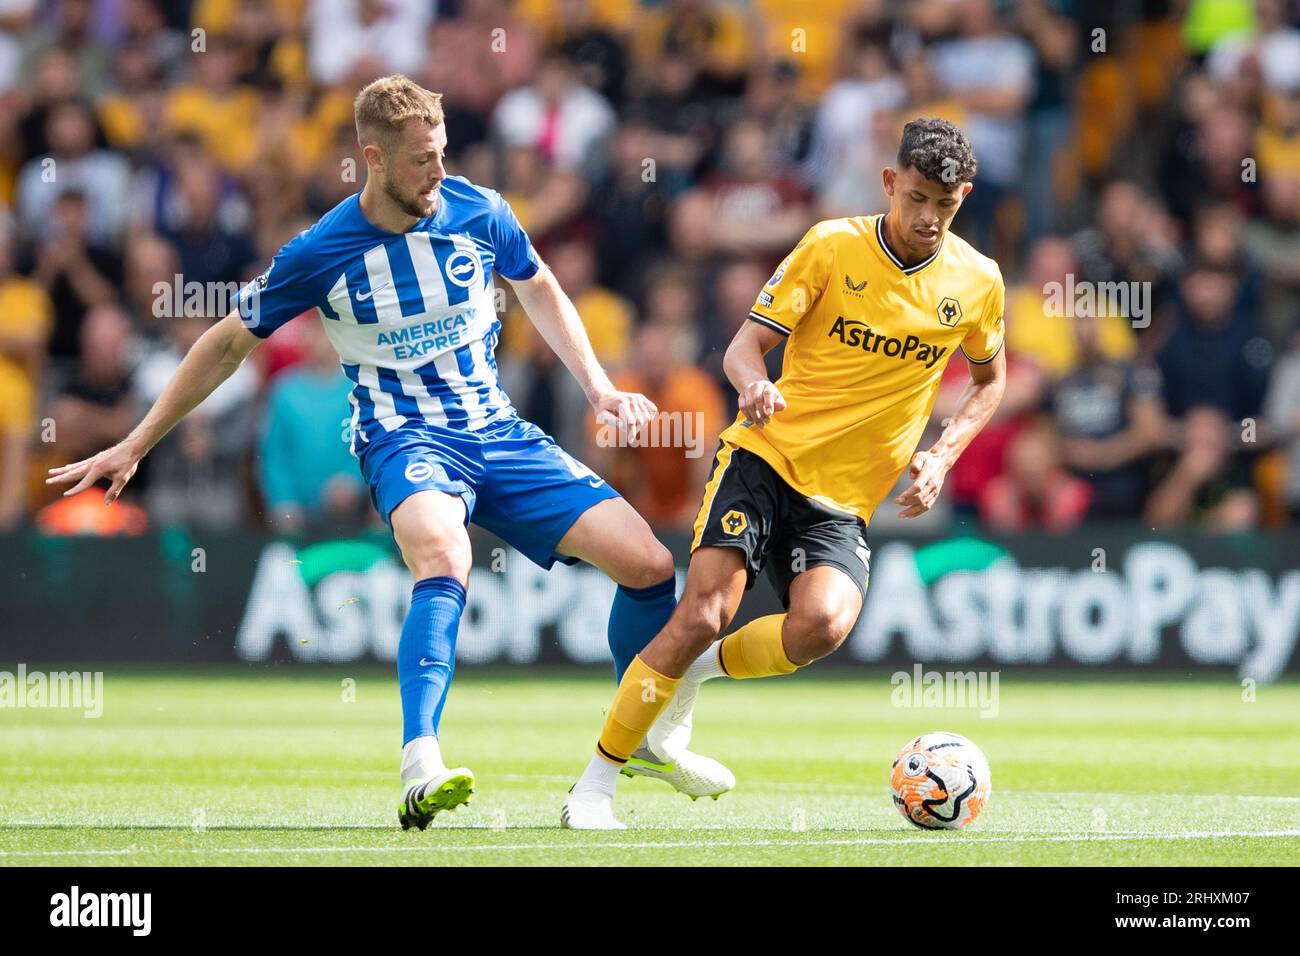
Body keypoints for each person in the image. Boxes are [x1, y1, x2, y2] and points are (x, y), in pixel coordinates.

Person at [45, 74, 732, 831]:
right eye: (421, 162)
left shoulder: (479, 208)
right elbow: (226, 343)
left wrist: (599, 389)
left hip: (497, 432)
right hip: (406, 439)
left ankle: (640, 740)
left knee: (649, 567)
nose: (438, 173)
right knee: (444, 557)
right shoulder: (322, 249)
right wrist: (139, 440)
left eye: (441, 155)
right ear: (373, 158)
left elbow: (538, 286)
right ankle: (420, 762)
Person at [562, 117, 1008, 829]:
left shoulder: (978, 281)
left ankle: (686, 685)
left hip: (843, 497)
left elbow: (988, 383)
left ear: (965, 198)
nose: (928, 218)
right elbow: (745, 347)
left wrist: (941, 455)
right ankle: (593, 787)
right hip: (766, 455)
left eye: (945, 206)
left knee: (822, 625)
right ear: (891, 183)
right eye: (918, 198)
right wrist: (752, 384)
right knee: (705, 611)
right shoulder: (832, 245)